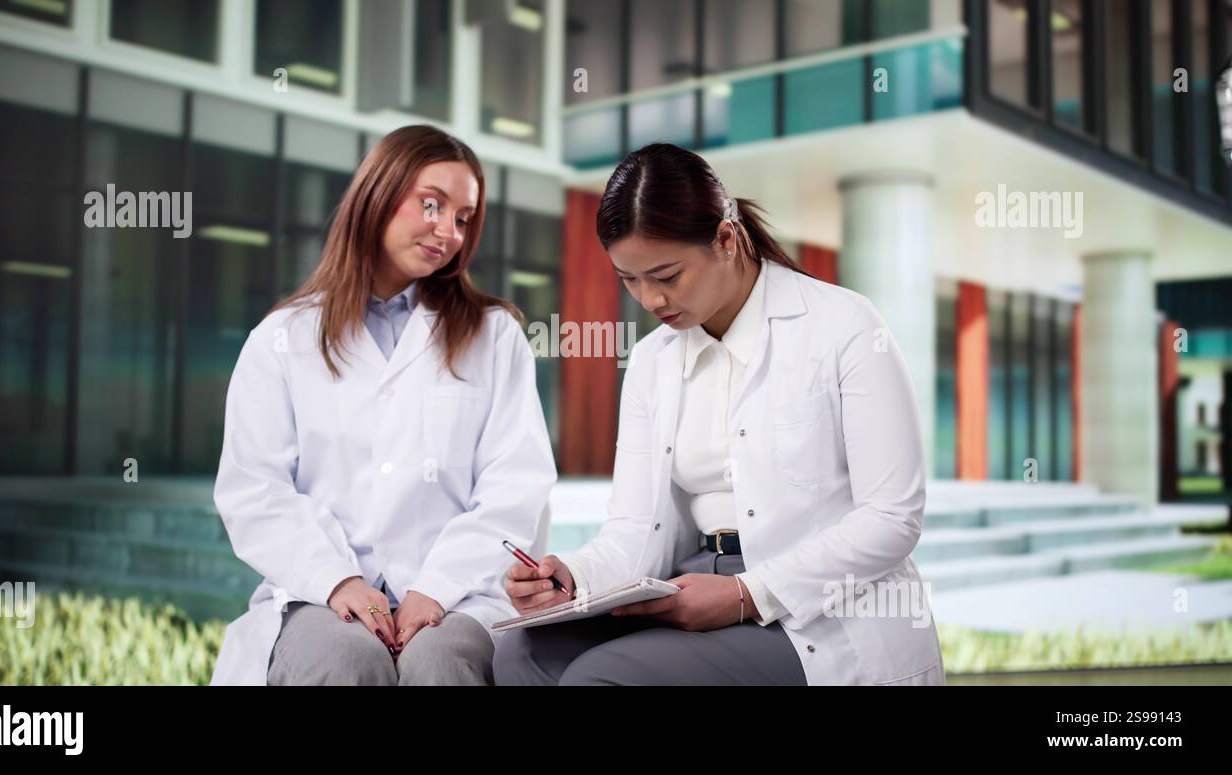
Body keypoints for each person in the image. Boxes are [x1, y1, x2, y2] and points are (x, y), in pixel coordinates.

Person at [494, 143, 944, 686]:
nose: (650, 299)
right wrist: (573, 577)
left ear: (725, 240)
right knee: (520, 655)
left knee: (602, 676)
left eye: (666, 275)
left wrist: (744, 594)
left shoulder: (844, 326)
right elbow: (636, 528)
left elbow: (892, 518)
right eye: (629, 280)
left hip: (814, 610)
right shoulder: (653, 360)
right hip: (688, 588)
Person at [210, 125, 556, 685]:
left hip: (461, 595)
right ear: (378, 194)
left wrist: (435, 587)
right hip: (322, 593)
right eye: (431, 204)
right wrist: (338, 581)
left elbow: (515, 487)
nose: (448, 231)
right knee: (343, 660)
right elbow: (255, 490)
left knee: (442, 661)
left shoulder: (495, 337)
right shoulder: (283, 337)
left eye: (463, 218)